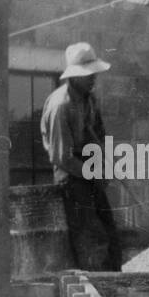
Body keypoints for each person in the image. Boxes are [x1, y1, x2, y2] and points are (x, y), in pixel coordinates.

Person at [40, 42, 122, 271]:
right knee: (91, 238)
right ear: (74, 77)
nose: (93, 78)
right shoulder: (61, 106)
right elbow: (61, 157)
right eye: (88, 75)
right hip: (71, 174)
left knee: (110, 233)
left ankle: (114, 284)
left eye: (94, 73)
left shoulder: (89, 99)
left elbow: (99, 133)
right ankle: (95, 292)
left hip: (88, 167)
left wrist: (103, 165)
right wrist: (92, 173)